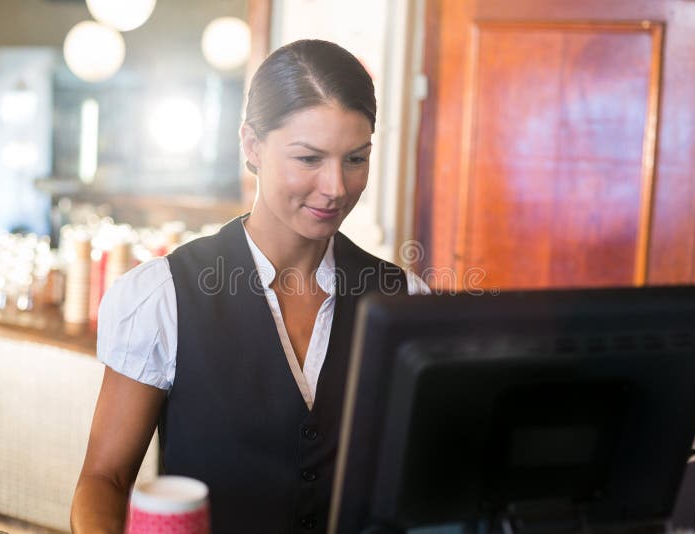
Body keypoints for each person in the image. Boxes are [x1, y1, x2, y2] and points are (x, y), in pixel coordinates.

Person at [70, 39, 429, 533]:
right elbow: (104, 479)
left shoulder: (402, 299)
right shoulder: (165, 295)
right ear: (252, 146)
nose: (336, 187)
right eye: (308, 159)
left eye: (355, 159)